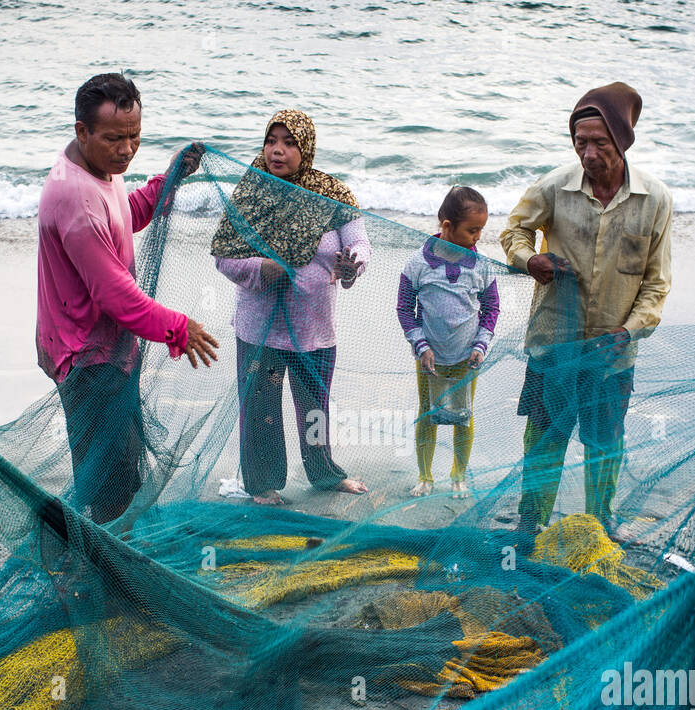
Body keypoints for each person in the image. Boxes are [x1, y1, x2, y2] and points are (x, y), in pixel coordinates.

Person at [36, 73, 218, 525]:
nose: (127, 149)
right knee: (110, 479)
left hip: (105, 349)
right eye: (115, 138)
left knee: (117, 463)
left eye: (135, 136)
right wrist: (180, 327)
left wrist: (166, 181)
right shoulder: (75, 197)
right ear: (83, 131)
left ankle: (108, 550)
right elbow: (115, 296)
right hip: (86, 357)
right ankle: (108, 569)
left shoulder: (101, 171)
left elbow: (126, 214)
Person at [500, 82, 672, 539]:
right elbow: (513, 233)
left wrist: (630, 330)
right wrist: (529, 259)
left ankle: (600, 520)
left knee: (604, 442)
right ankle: (531, 519)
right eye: (581, 143)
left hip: (612, 353)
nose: (590, 153)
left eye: (600, 142)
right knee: (543, 437)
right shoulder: (553, 187)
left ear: (623, 140)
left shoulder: (655, 200)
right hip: (552, 343)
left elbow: (656, 283)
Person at [210, 109, 370, 505]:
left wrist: (353, 263)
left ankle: (324, 473)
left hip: (315, 327)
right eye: (271, 141)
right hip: (259, 327)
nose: (277, 151)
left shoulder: (331, 195)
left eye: (289, 143)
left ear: (307, 148)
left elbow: (361, 244)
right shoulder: (250, 193)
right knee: (261, 409)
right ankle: (261, 485)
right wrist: (260, 269)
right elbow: (224, 256)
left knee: (314, 408)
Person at [396, 186, 500, 499]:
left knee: (462, 415)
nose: (477, 237)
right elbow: (404, 307)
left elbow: (491, 308)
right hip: (429, 357)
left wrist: (481, 345)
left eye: (481, 230)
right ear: (447, 227)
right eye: (472, 230)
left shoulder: (481, 266)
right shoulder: (418, 264)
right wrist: (421, 345)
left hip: (467, 357)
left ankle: (458, 476)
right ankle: (425, 476)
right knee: (428, 413)